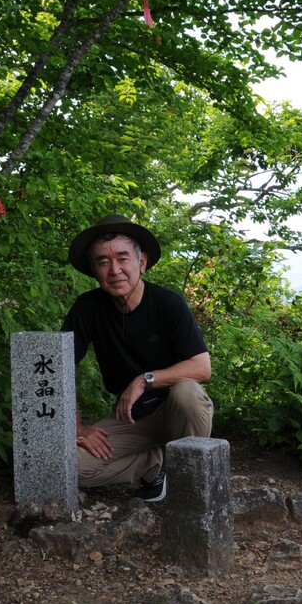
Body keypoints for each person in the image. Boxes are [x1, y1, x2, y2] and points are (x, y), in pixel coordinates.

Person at [62, 215, 213, 502]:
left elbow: (201, 367)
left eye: (123, 258)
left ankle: (189, 483)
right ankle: (154, 465)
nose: (115, 269)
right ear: (94, 269)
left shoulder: (168, 304)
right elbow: (61, 368)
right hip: (132, 418)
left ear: (141, 262)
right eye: (103, 262)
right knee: (70, 466)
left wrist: (144, 380)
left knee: (188, 392)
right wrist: (78, 428)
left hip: (177, 410)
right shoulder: (88, 308)